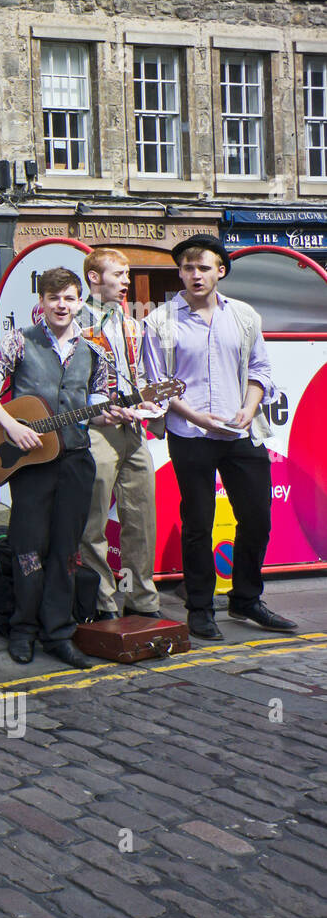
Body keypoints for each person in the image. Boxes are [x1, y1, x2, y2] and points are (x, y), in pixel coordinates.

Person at [142, 234, 297, 640]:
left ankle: (245, 598)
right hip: (190, 433)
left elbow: (261, 368)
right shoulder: (160, 320)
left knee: (258, 519)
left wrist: (248, 408)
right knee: (198, 523)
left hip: (240, 431)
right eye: (188, 268)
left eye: (204, 267)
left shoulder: (244, 315)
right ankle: (200, 607)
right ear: (180, 273)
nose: (195, 275)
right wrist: (197, 417)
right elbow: (155, 382)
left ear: (220, 272)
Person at [0, 266, 122, 670]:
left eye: (69, 298)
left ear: (79, 302)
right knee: (27, 548)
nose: (61, 305)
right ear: (41, 302)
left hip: (76, 459)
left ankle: (59, 633)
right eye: (53, 297)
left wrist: (118, 414)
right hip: (31, 464)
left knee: (64, 551)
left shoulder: (95, 351)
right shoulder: (19, 341)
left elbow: (99, 407)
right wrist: (10, 424)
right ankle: (22, 629)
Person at [78, 248, 162, 621]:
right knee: (93, 522)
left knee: (140, 517)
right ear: (94, 278)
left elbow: (136, 374)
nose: (127, 281)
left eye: (128, 274)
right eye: (119, 274)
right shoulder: (74, 319)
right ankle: (103, 601)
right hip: (97, 429)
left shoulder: (131, 322)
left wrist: (147, 404)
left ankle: (140, 597)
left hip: (132, 427)